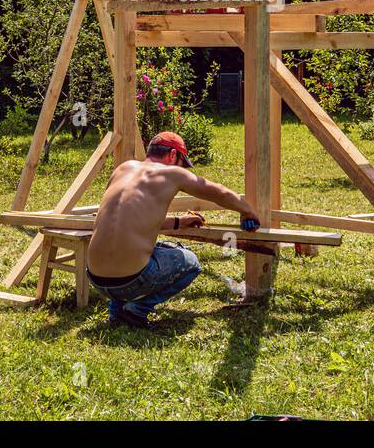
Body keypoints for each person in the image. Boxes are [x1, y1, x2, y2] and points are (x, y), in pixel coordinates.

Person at [86, 131, 261, 329]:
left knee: (138, 249)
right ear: (172, 155)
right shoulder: (172, 174)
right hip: (131, 281)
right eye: (182, 162)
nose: (183, 168)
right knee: (191, 262)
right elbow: (219, 192)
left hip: (96, 279)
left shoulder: (123, 169)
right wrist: (248, 211)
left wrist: (179, 221)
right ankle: (137, 310)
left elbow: (137, 222)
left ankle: (116, 313)